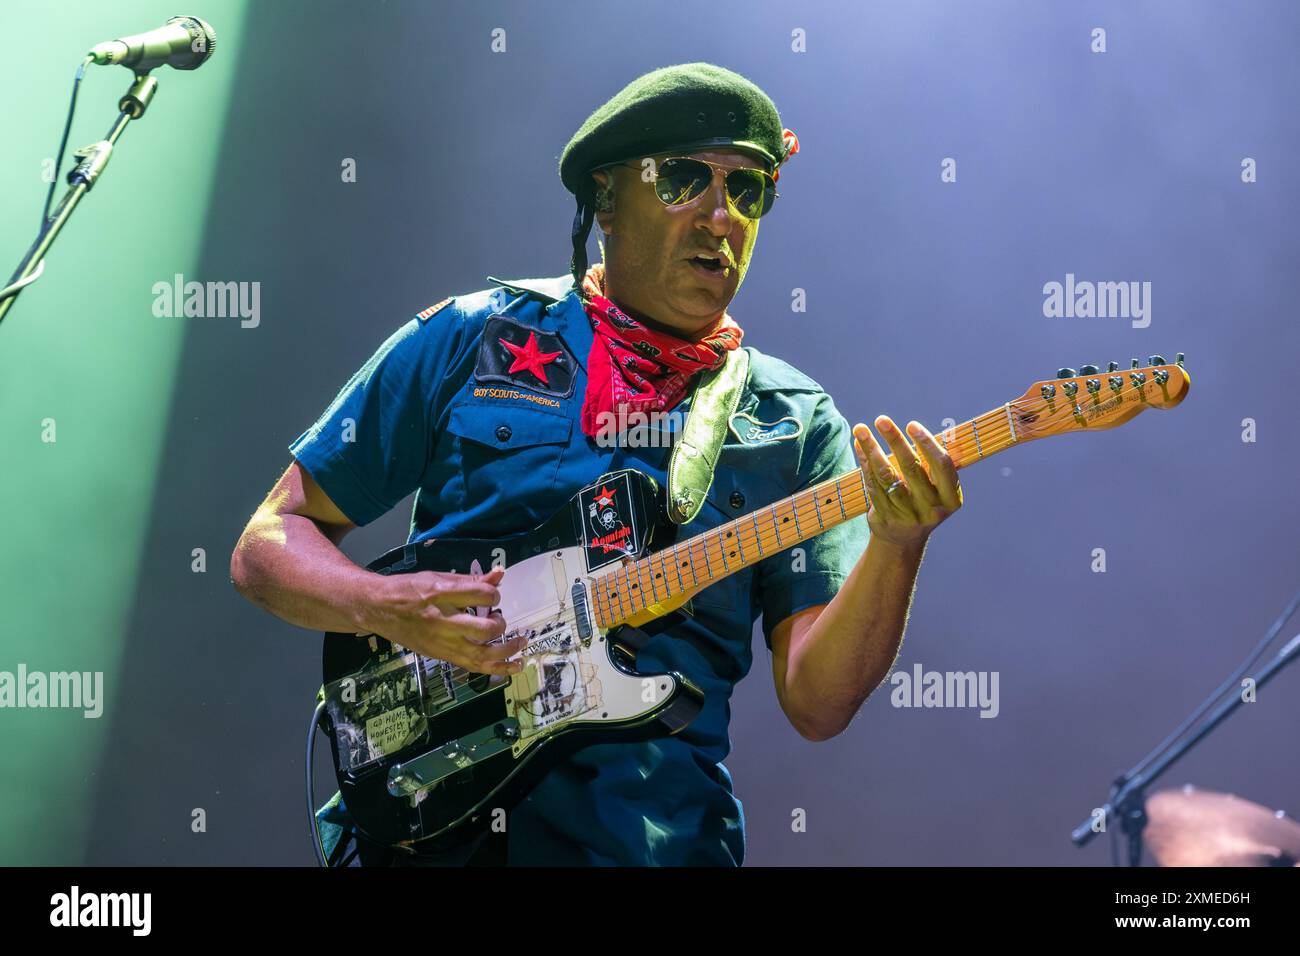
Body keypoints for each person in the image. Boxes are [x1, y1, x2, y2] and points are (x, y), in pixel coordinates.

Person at [230, 62, 963, 866]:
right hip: (427, 838)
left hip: (654, 842)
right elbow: (268, 543)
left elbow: (820, 705)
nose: (722, 217)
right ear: (606, 198)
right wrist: (379, 605)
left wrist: (899, 546)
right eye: (686, 179)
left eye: (748, 191)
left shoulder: (795, 421)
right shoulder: (474, 337)